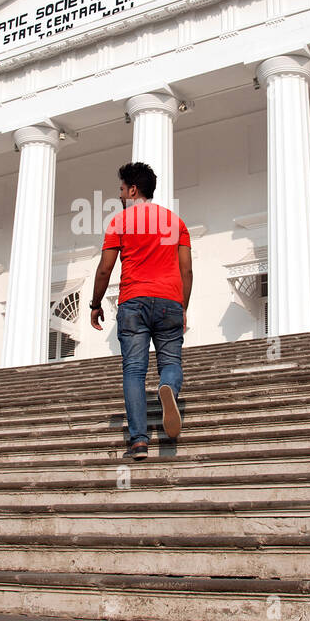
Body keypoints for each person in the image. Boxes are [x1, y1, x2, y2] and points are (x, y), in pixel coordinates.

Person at [89, 162, 193, 460]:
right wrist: (182, 306)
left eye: (122, 189)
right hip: (170, 302)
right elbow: (186, 270)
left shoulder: (119, 223)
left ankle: (138, 441)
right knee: (170, 361)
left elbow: (105, 269)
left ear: (133, 189)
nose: (120, 195)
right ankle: (168, 388)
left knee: (134, 370)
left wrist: (96, 304)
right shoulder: (176, 222)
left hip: (134, 301)